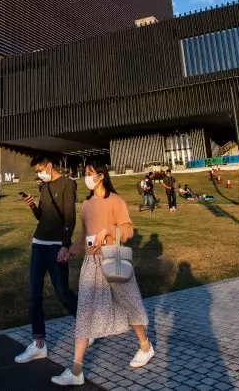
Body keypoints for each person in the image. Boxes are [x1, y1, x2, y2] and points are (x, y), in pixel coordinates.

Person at [51, 160, 153, 386]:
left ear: (100, 175)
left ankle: (145, 346)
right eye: (84, 173)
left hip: (114, 256)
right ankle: (77, 371)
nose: (86, 177)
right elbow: (83, 237)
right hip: (92, 262)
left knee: (129, 302)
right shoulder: (86, 205)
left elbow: (127, 229)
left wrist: (108, 230)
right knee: (84, 311)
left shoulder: (115, 200)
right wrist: (69, 250)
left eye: (89, 173)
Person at [15, 155, 78, 365]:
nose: (39, 174)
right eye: (36, 172)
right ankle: (39, 344)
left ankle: (88, 325)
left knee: (62, 292)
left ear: (50, 166)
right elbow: (42, 216)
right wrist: (33, 206)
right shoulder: (44, 186)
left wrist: (65, 244)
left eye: (41, 169)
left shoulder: (67, 183)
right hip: (38, 244)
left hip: (56, 247)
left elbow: (70, 216)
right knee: (34, 294)